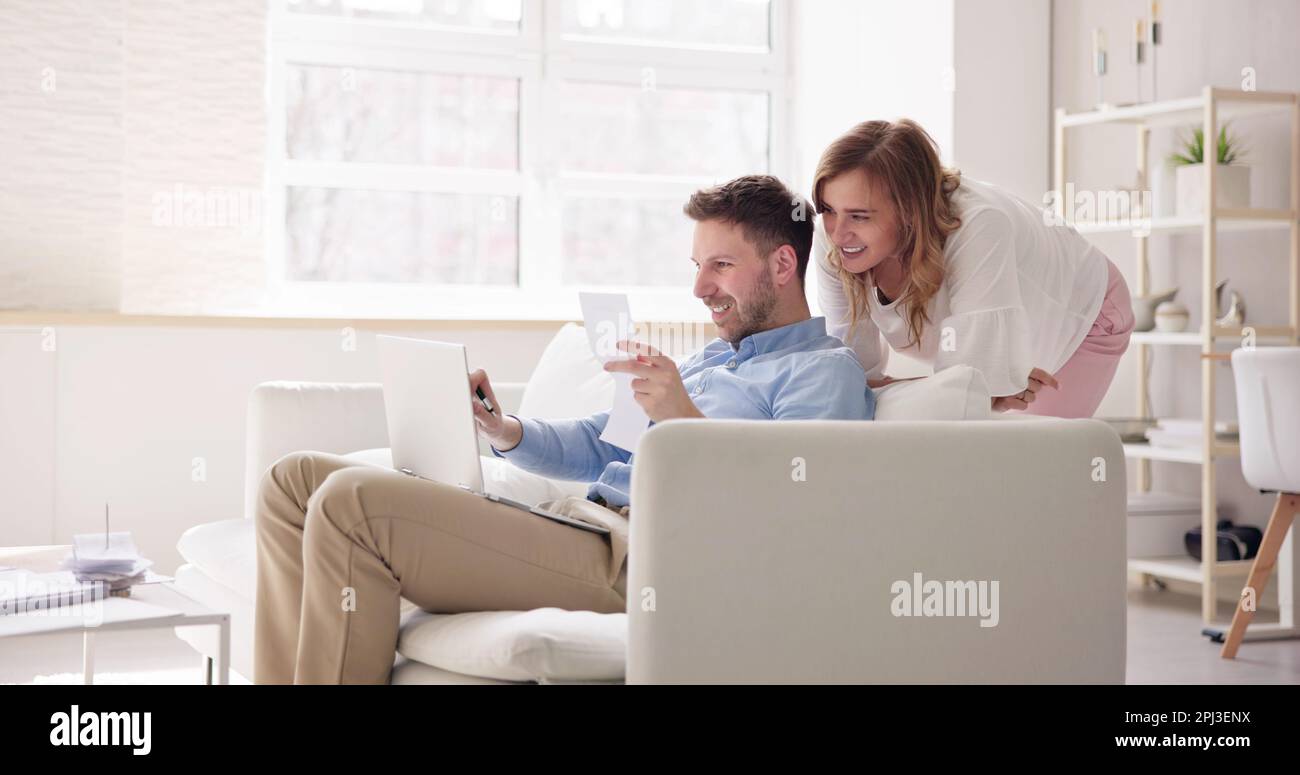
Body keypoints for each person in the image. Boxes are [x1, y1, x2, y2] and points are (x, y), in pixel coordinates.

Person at [254, 174, 875, 684]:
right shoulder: (710, 361)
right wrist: (505, 429)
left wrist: (682, 418)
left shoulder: (823, 373)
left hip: (642, 560)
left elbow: (793, 514)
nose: (699, 287)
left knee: (350, 502)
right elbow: (602, 442)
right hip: (577, 523)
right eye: (696, 265)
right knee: (293, 481)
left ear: (783, 264)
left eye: (721, 265)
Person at [814, 119, 1135, 417]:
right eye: (828, 209)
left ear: (908, 211)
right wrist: (984, 388)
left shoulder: (978, 226)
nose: (838, 234)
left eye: (859, 216)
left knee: (1031, 455)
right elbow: (852, 382)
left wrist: (986, 388)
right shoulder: (830, 242)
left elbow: (961, 399)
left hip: (1083, 312)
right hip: (1003, 333)